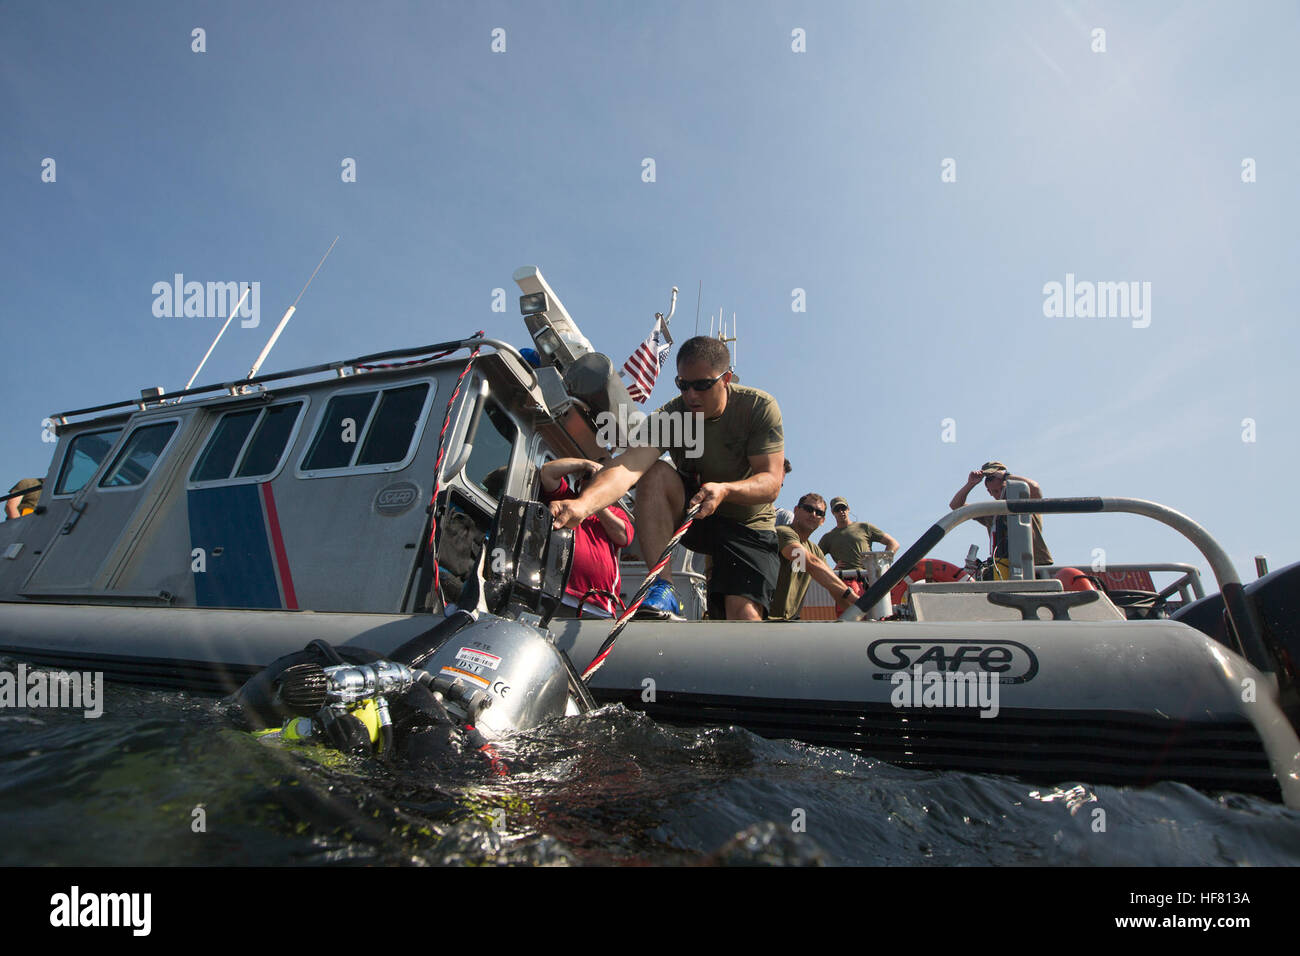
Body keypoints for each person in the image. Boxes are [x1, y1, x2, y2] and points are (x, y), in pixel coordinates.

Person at [548, 335, 784, 621]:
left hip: (748, 525)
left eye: (702, 385)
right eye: (683, 385)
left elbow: (771, 482)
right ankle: (664, 587)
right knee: (655, 472)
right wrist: (582, 506)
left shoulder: (758, 408)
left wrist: (725, 490)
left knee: (742, 616)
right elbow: (628, 466)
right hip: (696, 518)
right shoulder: (672, 416)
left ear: (727, 379)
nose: (691, 395)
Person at [539, 457, 633, 618]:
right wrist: (583, 464)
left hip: (598, 605)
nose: (595, 482)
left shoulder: (616, 513)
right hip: (555, 595)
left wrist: (595, 501)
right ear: (579, 482)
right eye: (590, 477)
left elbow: (623, 537)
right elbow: (547, 472)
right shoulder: (566, 499)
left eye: (603, 479)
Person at [949, 461, 1052, 579]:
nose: (1000, 493)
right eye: (995, 491)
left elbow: (1034, 488)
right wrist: (971, 484)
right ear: (988, 491)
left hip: (1034, 566)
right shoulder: (991, 512)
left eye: (1002, 487)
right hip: (1003, 569)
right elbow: (956, 506)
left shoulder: (1025, 503)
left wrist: (1006, 476)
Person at [769, 493, 859, 621]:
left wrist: (861, 614)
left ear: (822, 521)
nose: (813, 514)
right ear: (796, 510)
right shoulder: (782, 532)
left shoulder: (815, 551)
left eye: (819, 513)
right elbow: (807, 561)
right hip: (765, 620)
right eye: (808, 509)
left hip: (790, 622)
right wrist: (851, 595)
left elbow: (833, 588)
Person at [818, 496, 900, 602]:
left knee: (876, 612)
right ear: (833, 513)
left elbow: (893, 543)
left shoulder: (864, 527)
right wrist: (830, 570)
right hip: (845, 583)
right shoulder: (828, 537)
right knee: (851, 614)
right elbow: (815, 559)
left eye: (843, 508)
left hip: (869, 578)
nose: (841, 511)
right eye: (837, 509)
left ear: (848, 509)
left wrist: (881, 565)